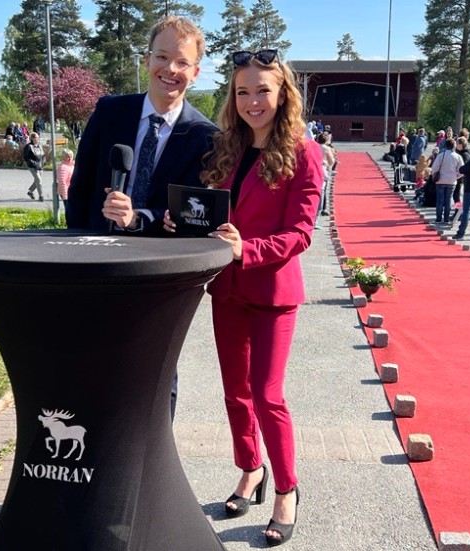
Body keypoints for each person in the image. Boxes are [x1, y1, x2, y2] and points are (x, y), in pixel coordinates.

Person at [164, 48, 320, 547]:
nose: (253, 100)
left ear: (283, 94)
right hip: (227, 291)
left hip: (272, 292)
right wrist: (183, 223)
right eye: (243, 91)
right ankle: (250, 469)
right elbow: (211, 213)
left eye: (263, 90)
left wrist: (245, 249)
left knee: (268, 395)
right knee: (235, 393)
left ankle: (287, 491)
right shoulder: (226, 147)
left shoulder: (303, 152)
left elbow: (300, 233)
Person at [66, 16, 217, 421]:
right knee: (93, 362)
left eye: (182, 63)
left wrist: (137, 218)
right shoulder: (109, 112)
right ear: (147, 58)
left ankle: (152, 455)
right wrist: (72, 255)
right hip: (95, 262)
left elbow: (188, 215)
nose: (171, 70)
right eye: (163, 57)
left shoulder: (206, 137)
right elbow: (79, 191)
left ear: (195, 72)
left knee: (155, 372)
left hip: (159, 273)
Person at [431, 138, 464, 227]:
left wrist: (435, 175)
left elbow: (434, 168)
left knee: (440, 200)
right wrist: (457, 176)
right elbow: (461, 170)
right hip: (452, 180)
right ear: (454, 146)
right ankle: (446, 218)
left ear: (445, 145)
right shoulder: (458, 157)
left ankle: (438, 218)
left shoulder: (441, 155)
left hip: (441, 180)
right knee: (449, 199)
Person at [317, 131, 336, 218]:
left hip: (313, 169)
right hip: (323, 169)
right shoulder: (326, 148)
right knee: (323, 190)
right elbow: (332, 161)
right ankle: (323, 209)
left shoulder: (313, 146)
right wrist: (330, 168)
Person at [23, 132, 44, 201]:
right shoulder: (28, 146)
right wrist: (33, 163)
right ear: (32, 138)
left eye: (38, 137)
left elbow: (43, 155)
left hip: (40, 165)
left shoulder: (39, 146)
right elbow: (26, 157)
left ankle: (30, 192)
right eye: (36, 137)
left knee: (37, 181)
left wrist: (44, 162)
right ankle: (41, 196)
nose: (37, 139)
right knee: (39, 180)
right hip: (32, 166)